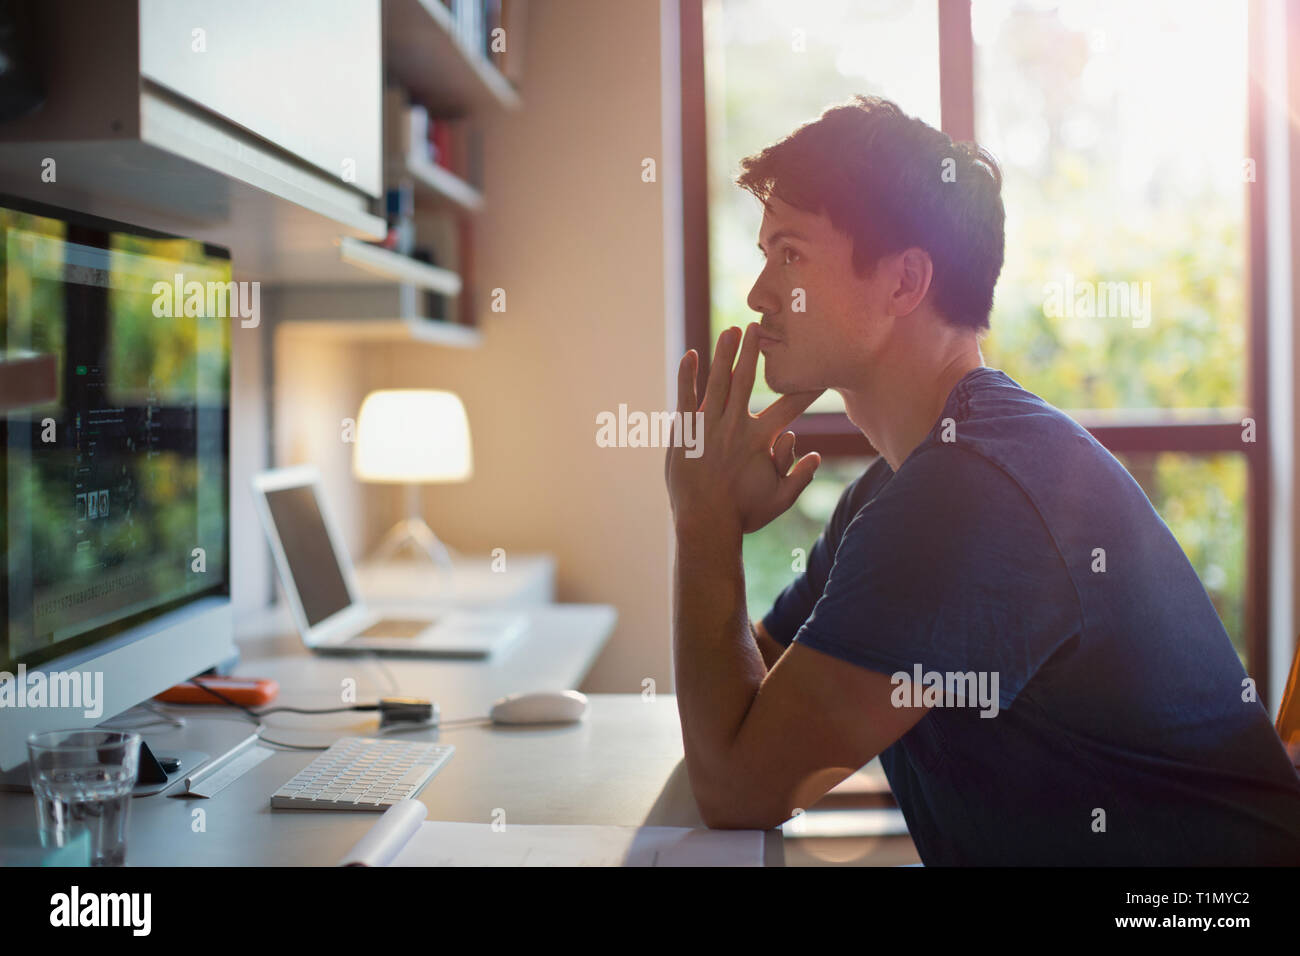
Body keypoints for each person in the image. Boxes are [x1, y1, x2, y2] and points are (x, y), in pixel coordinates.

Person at [663, 94, 1300, 865]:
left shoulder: (968, 495)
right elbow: (743, 714)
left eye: (791, 255)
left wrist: (704, 526)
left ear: (904, 283)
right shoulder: (897, 490)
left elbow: (736, 790)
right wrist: (713, 524)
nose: (760, 292)